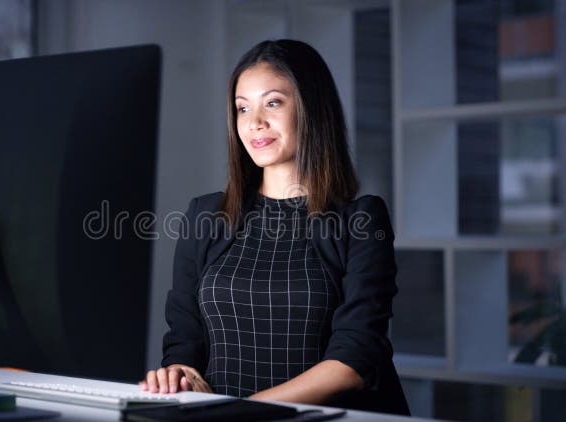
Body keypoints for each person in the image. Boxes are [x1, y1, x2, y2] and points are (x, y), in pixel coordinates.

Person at [139, 39, 410, 415]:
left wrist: (242, 411)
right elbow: (184, 341)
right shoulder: (205, 215)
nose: (254, 122)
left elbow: (355, 359)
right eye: (242, 108)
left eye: (273, 103)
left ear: (311, 108)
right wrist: (179, 375)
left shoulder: (361, 220)